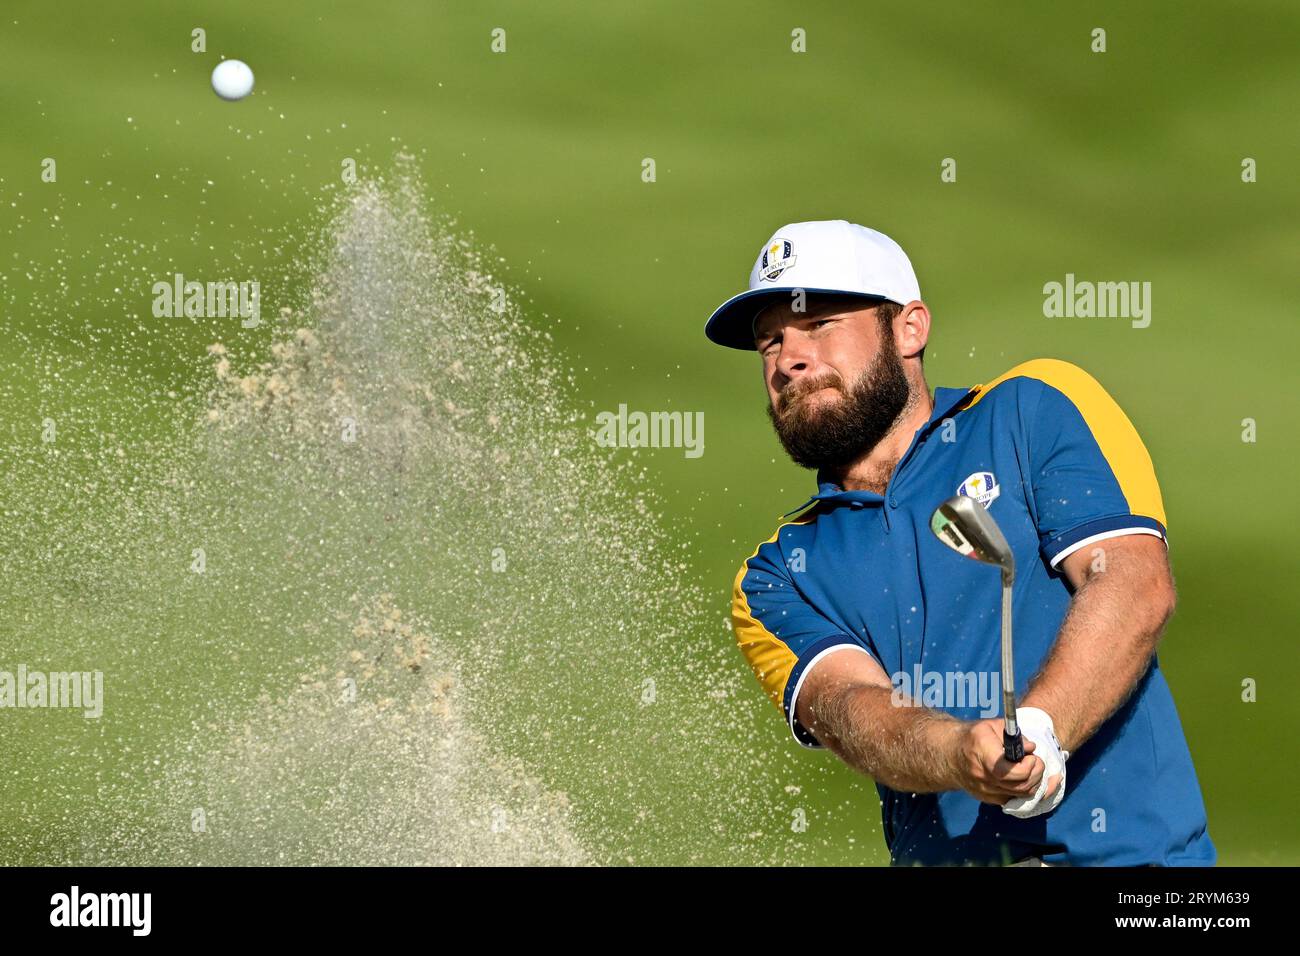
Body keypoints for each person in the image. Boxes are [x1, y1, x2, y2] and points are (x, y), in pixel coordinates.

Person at [704, 220, 1215, 866]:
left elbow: (1134, 581)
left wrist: (1042, 730)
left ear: (910, 328)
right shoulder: (776, 576)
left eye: (820, 323)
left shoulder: (1033, 409)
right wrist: (957, 754)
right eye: (770, 341)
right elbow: (850, 709)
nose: (789, 359)